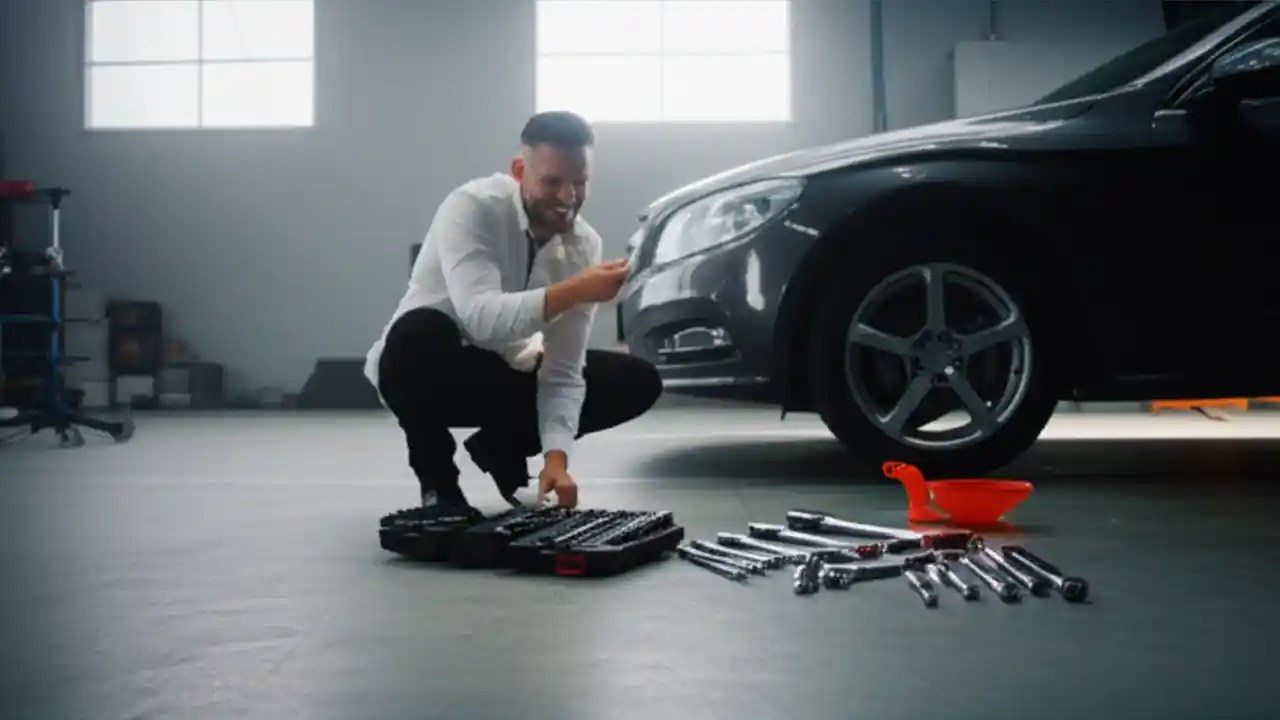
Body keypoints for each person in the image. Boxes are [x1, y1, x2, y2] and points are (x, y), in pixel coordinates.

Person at [364, 110, 662, 519]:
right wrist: (576, 289)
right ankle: (440, 490)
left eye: (580, 182)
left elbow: (563, 371)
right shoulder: (471, 207)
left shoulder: (582, 246)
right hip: (425, 376)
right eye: (553, 181)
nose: (568, 197)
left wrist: (556, 459)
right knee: (419, 332)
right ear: (520, 170)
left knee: (636, 380)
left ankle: (503, 445)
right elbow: (481, 317)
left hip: (503, 371)